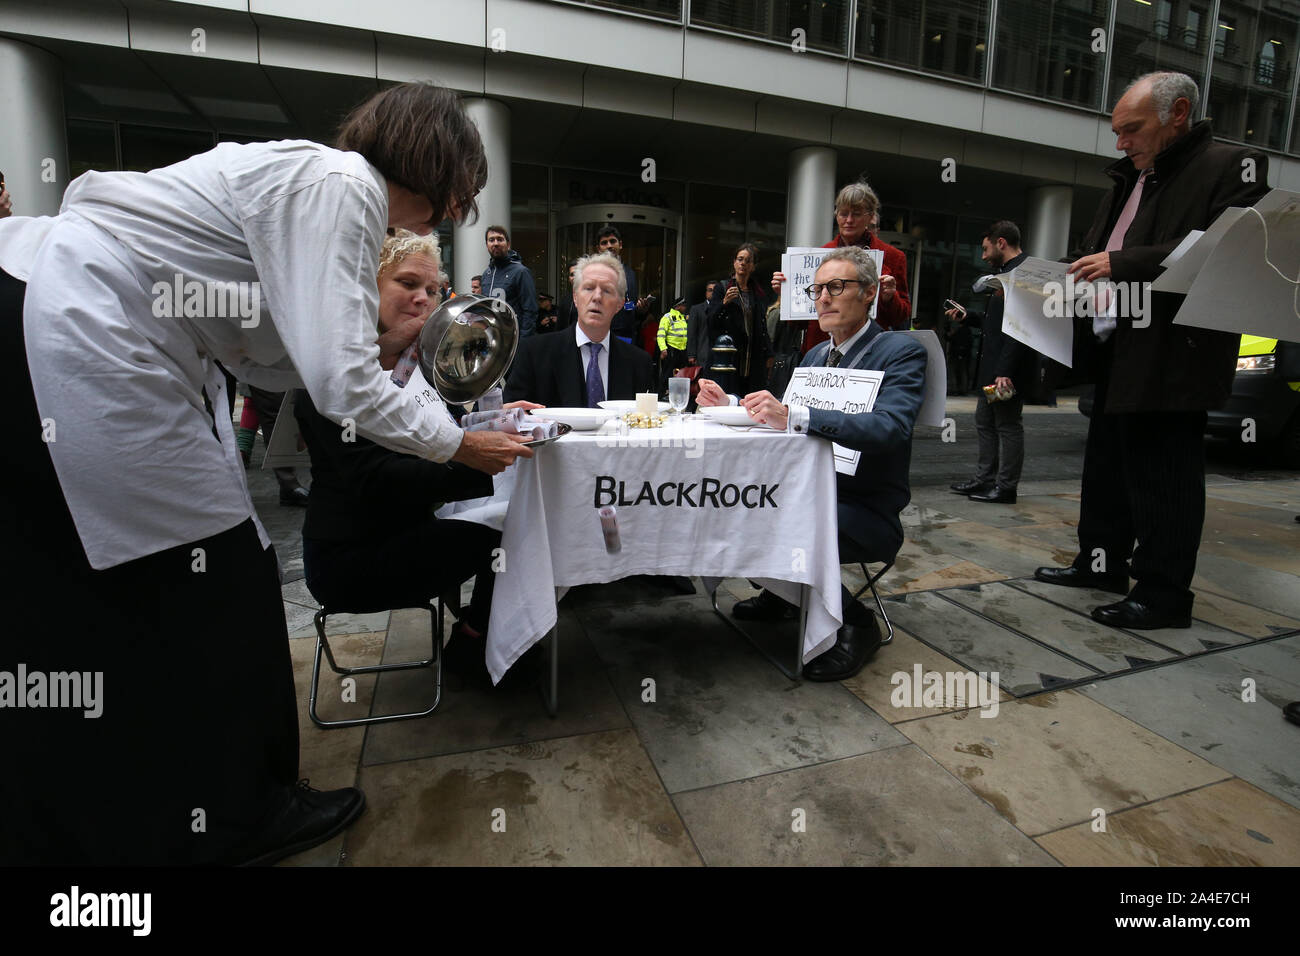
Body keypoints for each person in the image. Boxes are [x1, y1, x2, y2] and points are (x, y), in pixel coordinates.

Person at [0, 81, 533, 866]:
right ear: (436, 161)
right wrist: (460, 447)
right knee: (218, 574)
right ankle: (239, 810)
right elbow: (340, 386)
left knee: (103, 579)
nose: (455, 213)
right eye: (461, 190)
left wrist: (385, 357)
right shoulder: (348, 185)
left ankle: (106, 807)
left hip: (65, 306)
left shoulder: (316, 185)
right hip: (85, 318)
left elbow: (276, 360)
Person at [1033, 71, 1269, 630]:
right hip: (1115, 344)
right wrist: (1040, 278)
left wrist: (1123, 264)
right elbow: (1099, 251)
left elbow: (1229, 252)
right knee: (1107, 467)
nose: (1121, 143)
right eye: (1117, 131)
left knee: (1165, 476)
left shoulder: (1232, 165)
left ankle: (1163, 595)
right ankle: (1101, 564)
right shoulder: (1130, 177)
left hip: (1172, 354)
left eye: (1132, 129)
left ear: (1177, 113)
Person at [295, 230, 536, 669]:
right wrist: (479, 463)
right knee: (512, 533)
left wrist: (499, 421)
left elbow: (448, 430)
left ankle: (489, 629)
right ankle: (476, 642)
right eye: (407, 283)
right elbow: (379, 478)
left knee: (518, 518)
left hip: (414, 529)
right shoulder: (328, 378)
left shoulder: (418, 364)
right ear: (366, 288)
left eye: (432, 289)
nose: (423, 298)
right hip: (352, 558)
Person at [698, 246, 926, 680]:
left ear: (870, 293)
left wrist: (795, 415)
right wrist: (730, 403)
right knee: (726, 502)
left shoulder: (900, 351)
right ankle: (786, 593)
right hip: (804, 492)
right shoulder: (816, 355)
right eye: (817, 289)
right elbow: (785, 422)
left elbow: (890, 427)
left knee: (761, 519)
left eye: (836, 287)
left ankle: (856, 621)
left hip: (862, 507)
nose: (822, 298)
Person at [946, 220, 1032, 504]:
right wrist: (968, 317)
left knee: (1007, 424)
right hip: (993, 369)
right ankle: (985, 480)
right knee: (985, 421)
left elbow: (1021, 328)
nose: (983, 256)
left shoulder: (1021, 275)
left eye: (985, 249)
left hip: (1005, 372)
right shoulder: (1003, 274)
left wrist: (1005, 371)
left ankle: (1005, 487)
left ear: (1001, 243)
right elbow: (996, 323)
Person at [771, 181, 912, 348]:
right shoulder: (817, 257)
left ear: (870, 217)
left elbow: (900, 318)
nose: (849, 220)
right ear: (836, 215)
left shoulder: (893, 257)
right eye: (843, 214)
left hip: (869, 350)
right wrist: (788, 295)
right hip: (822, 350)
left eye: (856, 214)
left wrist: (890, 298)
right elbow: (799, 323)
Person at [504, 251, 655, 407]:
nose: (597, 297)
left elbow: (647, 418)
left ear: (620, 304)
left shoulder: (639, 363)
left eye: (607, 290)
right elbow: (511, 413)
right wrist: (509, 414)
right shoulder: (534, 353)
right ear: (575, 297)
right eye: (589, 288)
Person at [706, 242, 773, 397]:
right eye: (740, 259)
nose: (743, 263)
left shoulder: (757, 292)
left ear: (753, 266)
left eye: (748, 261)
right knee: (729, 396)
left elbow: (762, 326)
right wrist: (724, 303)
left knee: (750, 398)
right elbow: (710, 321)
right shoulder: (722, 288)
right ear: (734, 262)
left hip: (753, 356)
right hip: (730, 355)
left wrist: (769, 353)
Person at [596, 225, 650, 344]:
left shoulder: (630, 274)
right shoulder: (593, 272)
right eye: (604, 243)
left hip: (626, 337)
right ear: (599, 248)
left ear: (620, 244)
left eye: (612, 241)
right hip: (600, 336)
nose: (609, 245)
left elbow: (631, 307)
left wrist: (640, 311)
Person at [481, 225, 538, 337]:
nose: (495, 243)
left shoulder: (521, 272)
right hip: (494, 339)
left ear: (508, 244)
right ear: (487, 245)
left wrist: (523, 341)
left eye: (500, 239)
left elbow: (530, 311)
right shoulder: (486, 274)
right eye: (491, 240)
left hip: (515, 339)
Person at [657, 295, 689, 385]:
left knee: (681, 375)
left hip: (682, 350)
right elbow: (661, 334)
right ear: (678, 306)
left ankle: (678, 391)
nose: (685, 307)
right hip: (671, 350)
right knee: (667, 375)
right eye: (683, 305)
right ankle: (663, 392)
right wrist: (663, 349)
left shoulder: (683, 318)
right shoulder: (667, 317)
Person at [686, 280, 716, 369]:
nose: (713, 293)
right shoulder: (696, 309)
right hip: (702, 354)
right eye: (710, 290)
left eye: (715, 290)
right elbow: (691, 333)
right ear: (706, 293)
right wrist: (691, 355)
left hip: (718, 354)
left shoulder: (723, 308)